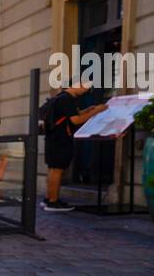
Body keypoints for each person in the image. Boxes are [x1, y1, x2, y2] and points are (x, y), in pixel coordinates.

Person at [43, 82, 107, 211]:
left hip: (53, 138)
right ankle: (53, 202)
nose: (86, 91)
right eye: (85, 87)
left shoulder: (60, 97)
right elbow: (75, 120)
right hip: (60, 139)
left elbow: (70, 115)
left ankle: (49, 199)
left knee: (53, 169)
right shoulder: (67, 99)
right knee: (57, 170)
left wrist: (87, 110)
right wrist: (96, 112)